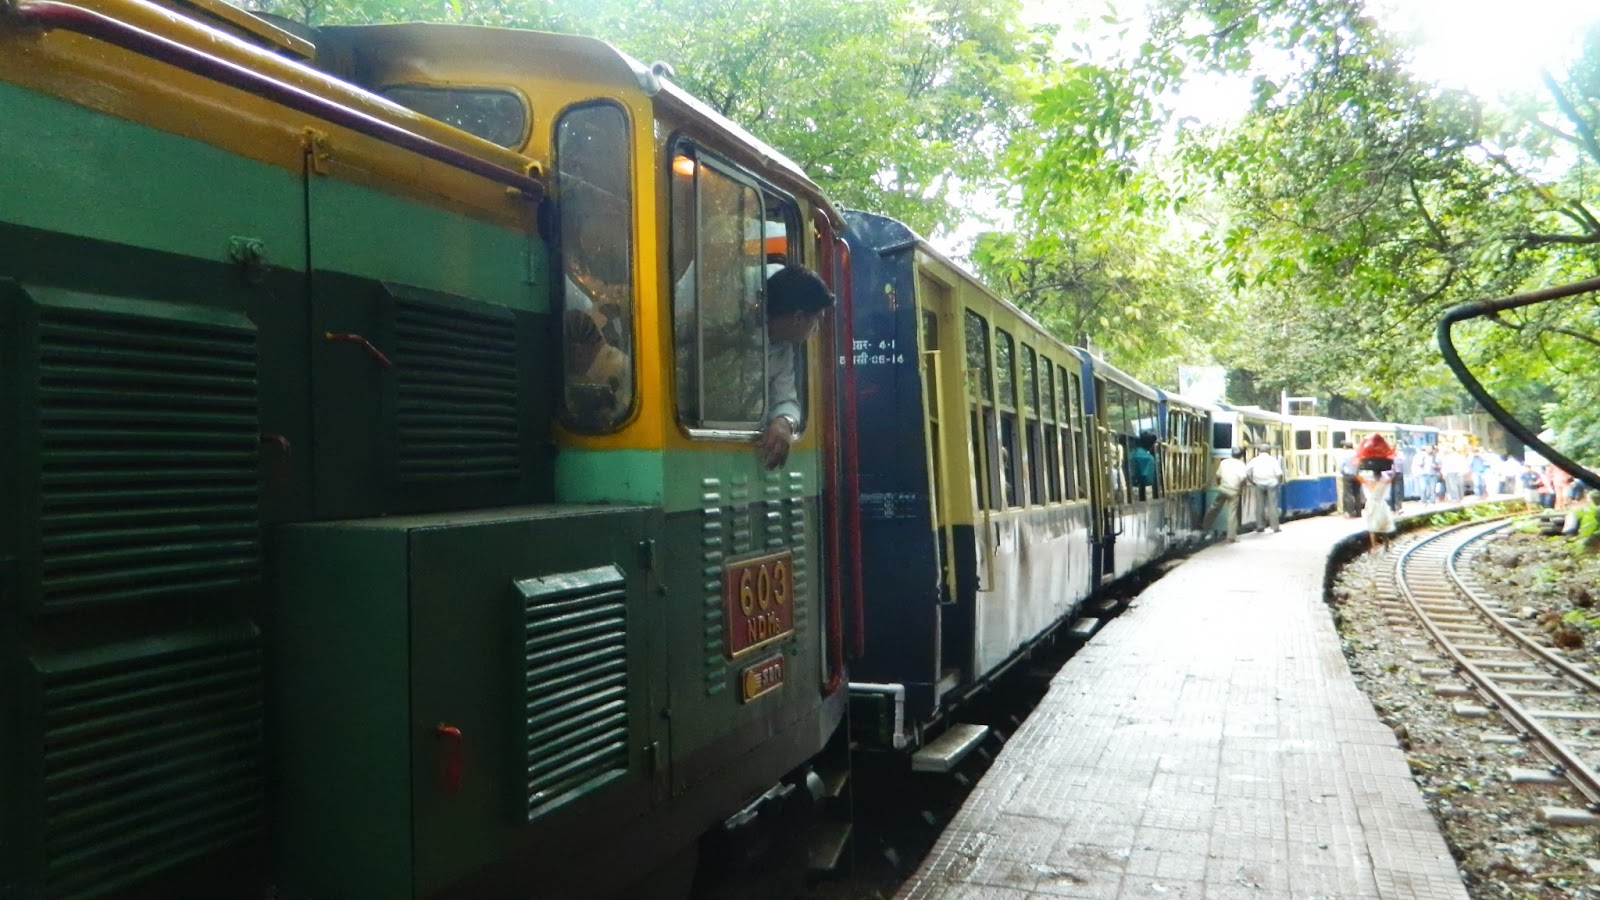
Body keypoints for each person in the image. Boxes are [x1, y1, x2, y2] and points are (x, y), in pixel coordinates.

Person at [756, 265, 834, 470]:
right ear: (799, 317)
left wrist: (784, 422)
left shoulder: (784, 347)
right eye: (816, 320)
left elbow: (786, 399)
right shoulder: (733, 335)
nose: (816, 330)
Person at [1200, 448, 1248, 543]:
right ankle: (1231, 537)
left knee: (1214, 508)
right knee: (1232, 513)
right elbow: (1243, 479)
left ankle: (1204, 527)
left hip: (1223, 489)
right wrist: (1240, 488)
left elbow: (1218, 476)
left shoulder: (1224, 462)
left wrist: (1220, 485)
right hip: (1234, 491)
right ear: (1241, 456)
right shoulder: (1241, 465)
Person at [1244, 444, 1284, 534]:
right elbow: (1279, 474)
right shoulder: (1273, 460)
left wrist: (1252, 481)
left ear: (1259, 451)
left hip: (1259, 484)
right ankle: (1275, 527)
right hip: (1272, 484)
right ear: (1269, 451)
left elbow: (1247, 473)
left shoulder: (1254, 460)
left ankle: (1260, 526)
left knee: (1259, 505)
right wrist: (1278, 482)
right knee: (1272, 505)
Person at [1358, 462, 1397, 553]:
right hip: (1381, 504)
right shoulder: (1385, 482)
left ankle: (1374, 547)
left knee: (1372, 526)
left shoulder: (1369, 482)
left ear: (1374, 474)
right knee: (1384, 526)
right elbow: (1393, 476)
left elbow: (1356, 476)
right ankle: (1386, 545)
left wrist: (1358, 464)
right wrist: (1393, 465)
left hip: (1371, 505)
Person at [1129, 431, 1158, 501]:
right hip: (1146, 486)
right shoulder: (1149, 458)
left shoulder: (1133, 453)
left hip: (1133, 484)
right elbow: (1149, 478)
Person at [1337, 441, 1363, 518]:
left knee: (1348, 494)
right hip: (1357, 475)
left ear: (1345, 447)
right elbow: (1360, 465)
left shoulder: (1344, 455)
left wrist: (1344, 472)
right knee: (1357, 494)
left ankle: (1351, 512)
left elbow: (1340, 467)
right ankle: (1359, 512)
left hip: (1348, 476)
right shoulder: (1357, 454)